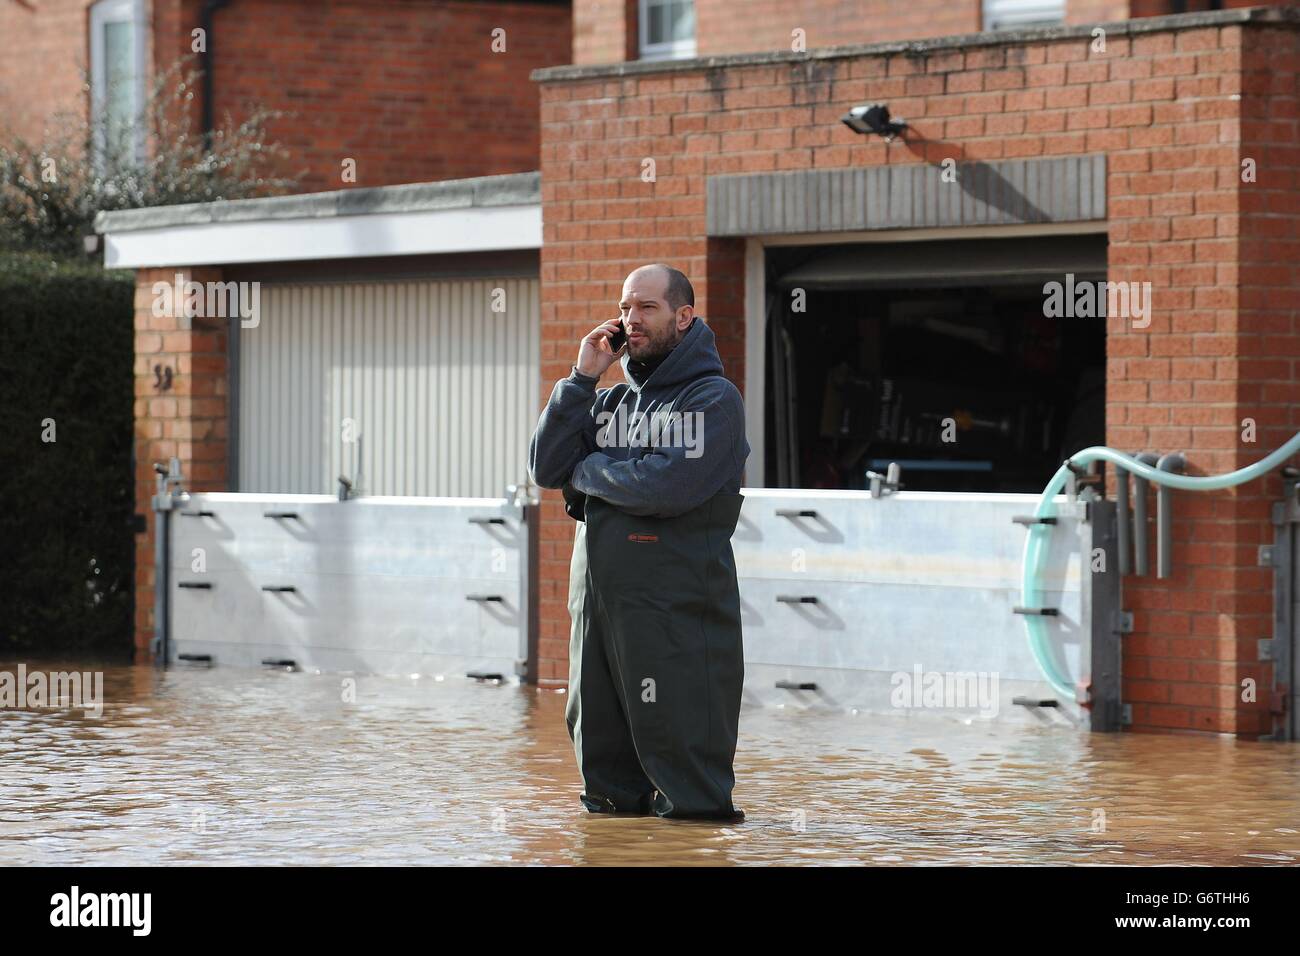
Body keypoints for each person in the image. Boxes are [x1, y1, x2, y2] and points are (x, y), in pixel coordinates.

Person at [528, 263, 750, 821]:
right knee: (604, 785)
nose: (631, 321)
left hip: (675, 620)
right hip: (598, 617)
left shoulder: (713, 400)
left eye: (646, 308)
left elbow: (665, 487)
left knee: (687, 786)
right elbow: (547, 465)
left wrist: (589, 472)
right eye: (626, 308)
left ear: (684, 316)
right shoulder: (608, 403)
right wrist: (580, 381)